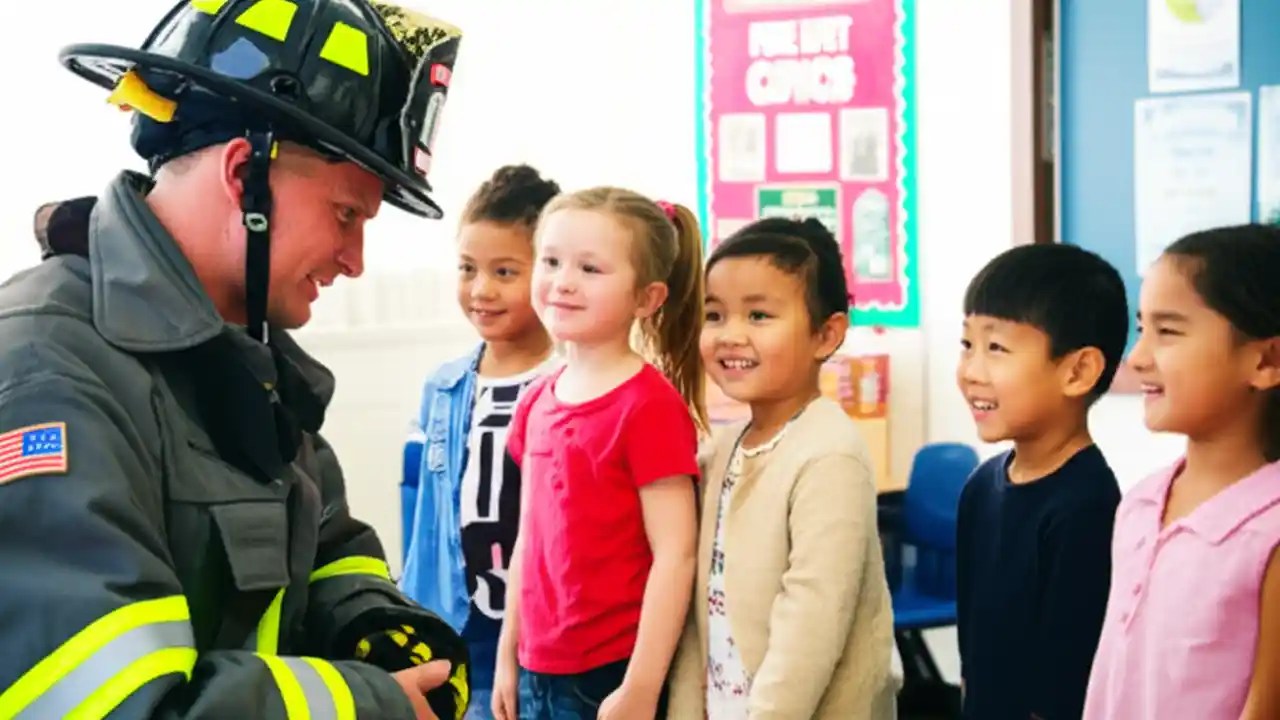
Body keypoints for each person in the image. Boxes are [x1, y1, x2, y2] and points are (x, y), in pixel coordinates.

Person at [0, 1, 474, 718]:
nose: (354, 260)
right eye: (346, 215)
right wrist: (369, 706)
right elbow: (110, 706)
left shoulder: (242, 362)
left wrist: (379, 627)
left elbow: (323, 546)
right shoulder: (51, 373)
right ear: (243, 173)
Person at [666, 217, 897, 719]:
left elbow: (810, 625)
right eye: (715, 315)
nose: (730, 335)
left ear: (826, 333)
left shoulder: (829, 454)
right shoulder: (724, 448)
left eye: (759, 316)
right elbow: (695, 614)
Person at [491, 188, 705, 720]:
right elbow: (528, 541)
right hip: (536, 663)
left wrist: (641, 686)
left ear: (647, 298)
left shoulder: (649, 407)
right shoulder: (537, 399)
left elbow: (676, 555)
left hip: (609, 672)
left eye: (590, 268)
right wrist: (506, 655)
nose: (563, 280)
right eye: (551, 261)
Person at [1083, 225, 1280, 720]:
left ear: (1266, 360)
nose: (1138, 357)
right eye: (1141, 328)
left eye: (1167, 331)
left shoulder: (1269, 532)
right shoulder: (1141, 503)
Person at [401, 164, 562, 718]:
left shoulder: (567, 385)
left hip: (544, 638)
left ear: (548, 273)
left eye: (504, 271)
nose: (481, 290)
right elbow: (417, 512)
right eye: (468, 268)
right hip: (457, 631)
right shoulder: (443, 387)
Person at [954, 244, 1128, 719]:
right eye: (967, 344)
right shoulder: (981, 486)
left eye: (996, 348)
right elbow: (971, 650)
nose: (971, 371)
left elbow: (1068, 681)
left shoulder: (1087, 505)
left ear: (1078, 371)